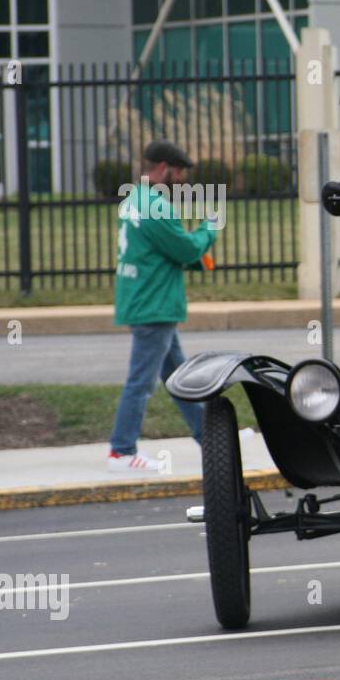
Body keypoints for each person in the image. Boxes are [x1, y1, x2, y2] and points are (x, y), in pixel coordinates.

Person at [107, 141, 217, 473]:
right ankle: (121, 451)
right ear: (165, 168)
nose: (182, 179)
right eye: (180, 172)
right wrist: (208, 229)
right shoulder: (155, 205)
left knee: (177, 377)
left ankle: (208, 438)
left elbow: (158, 250)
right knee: (141, 382)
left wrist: (193, 255)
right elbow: (183, 248)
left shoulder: (134, 200)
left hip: (144, 298)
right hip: (154, 304)